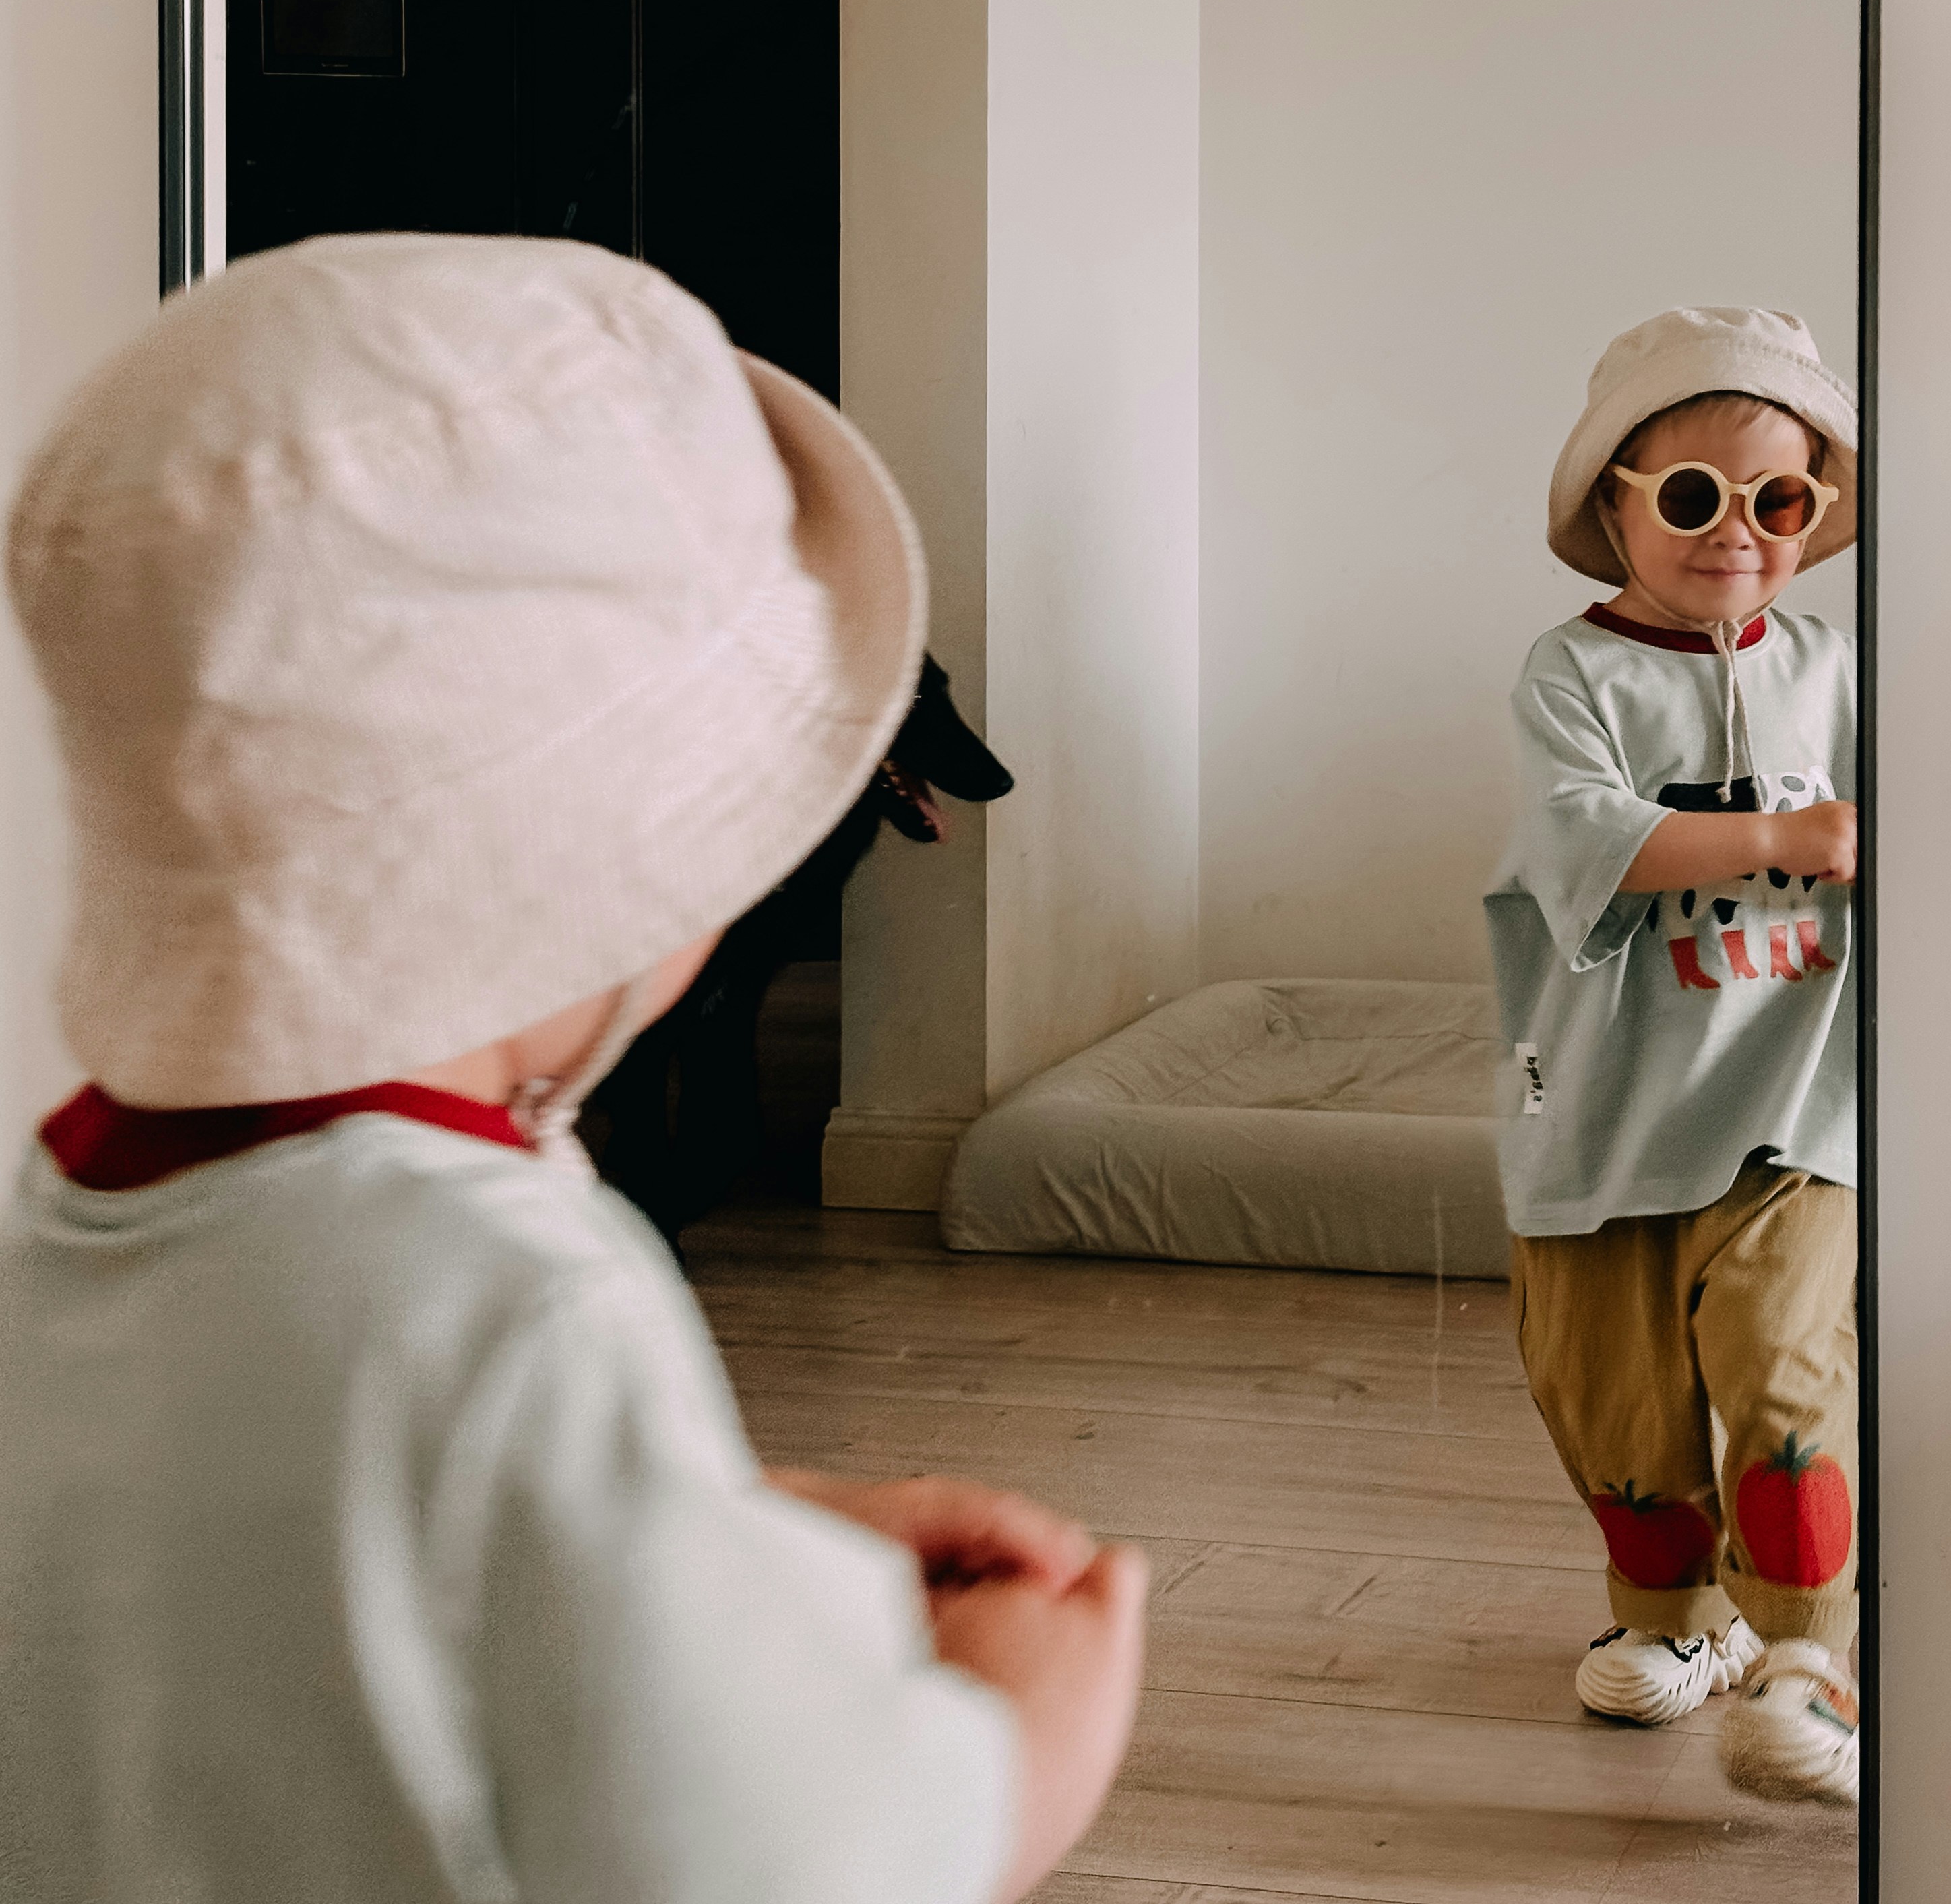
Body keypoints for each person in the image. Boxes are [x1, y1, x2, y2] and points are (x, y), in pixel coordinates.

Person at [0, 232, 1146, 1903]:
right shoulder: (519, 1299)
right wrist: (1021, 1734)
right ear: (616, 858)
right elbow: (779, 1868)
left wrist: (731, 1533)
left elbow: (265, 1556)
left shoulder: (68, 1230)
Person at [1485, 307, 1861, 1806]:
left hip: (1796, 1092)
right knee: (1611, 1401)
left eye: (1779, 502)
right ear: (1621, 503)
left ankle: (1807, 1661)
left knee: (1784, 1371)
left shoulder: (1838, 673)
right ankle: (1677, 1622)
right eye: (1695, 498)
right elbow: (1582, 834)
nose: (1739, 535)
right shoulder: (1570, 674)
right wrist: (1782, 838)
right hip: (1597, 1099)